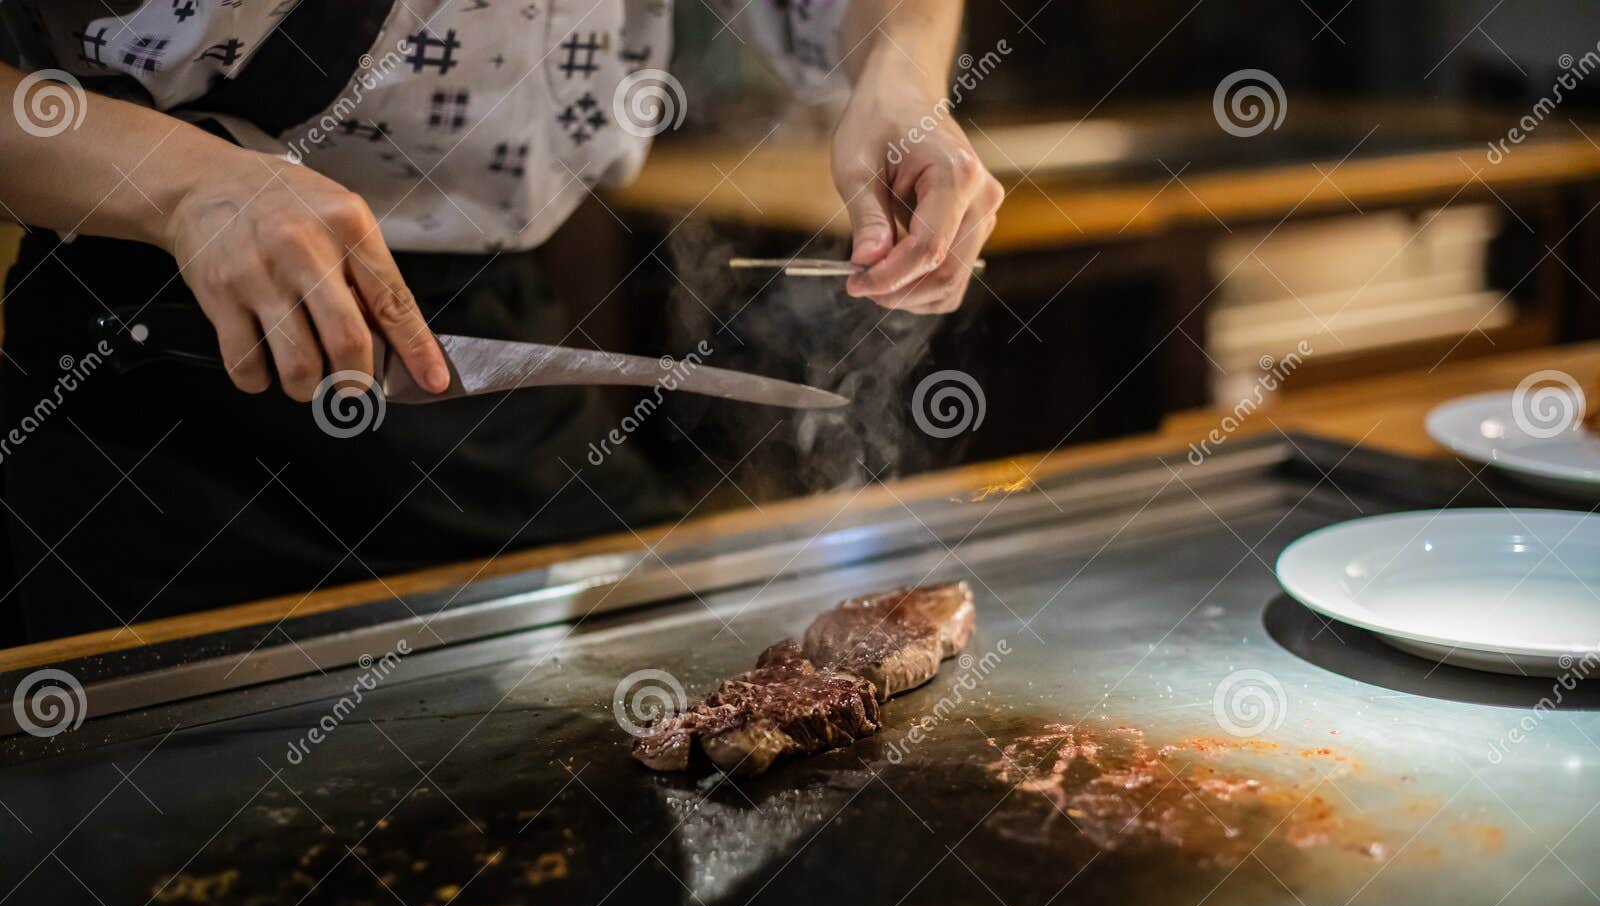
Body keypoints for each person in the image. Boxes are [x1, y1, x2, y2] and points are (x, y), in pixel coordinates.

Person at [0, 1, 1003, 643]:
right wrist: (184, 187)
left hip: (483, 348)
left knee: (653, 716)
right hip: (161, 369)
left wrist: (902, 84)